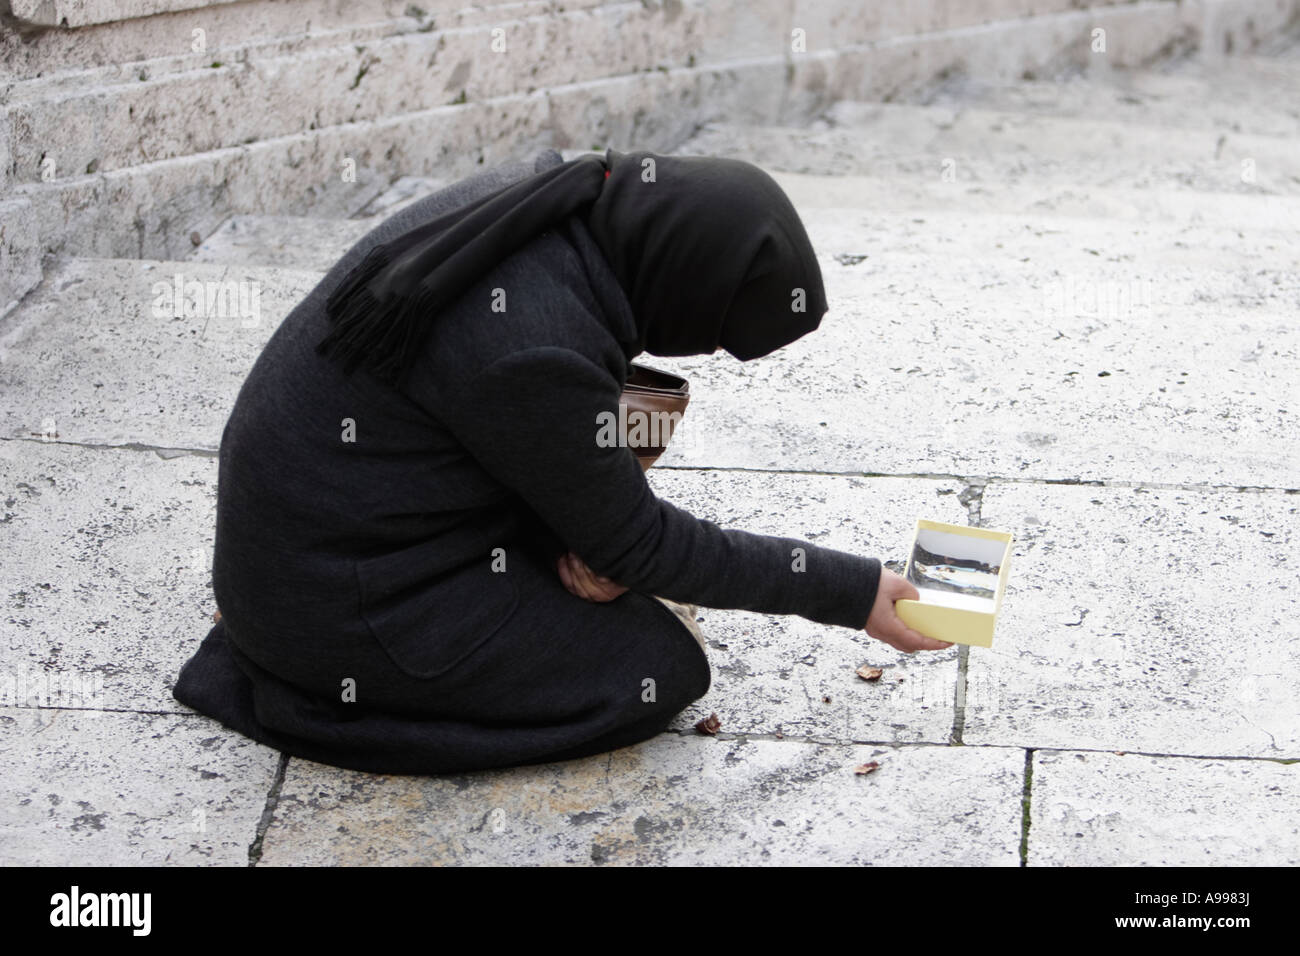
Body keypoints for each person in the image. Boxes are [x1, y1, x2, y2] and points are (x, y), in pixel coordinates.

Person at [172, 146, 950, 775]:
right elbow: (639, 545)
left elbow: (488, 433)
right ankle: (346, 718)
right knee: (658, 670)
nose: (701, 349)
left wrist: (572, 534)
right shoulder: (534, 345)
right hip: (340, 611)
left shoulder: (555, 195)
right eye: (712, 334)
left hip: (316, 544)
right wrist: (854, 592)